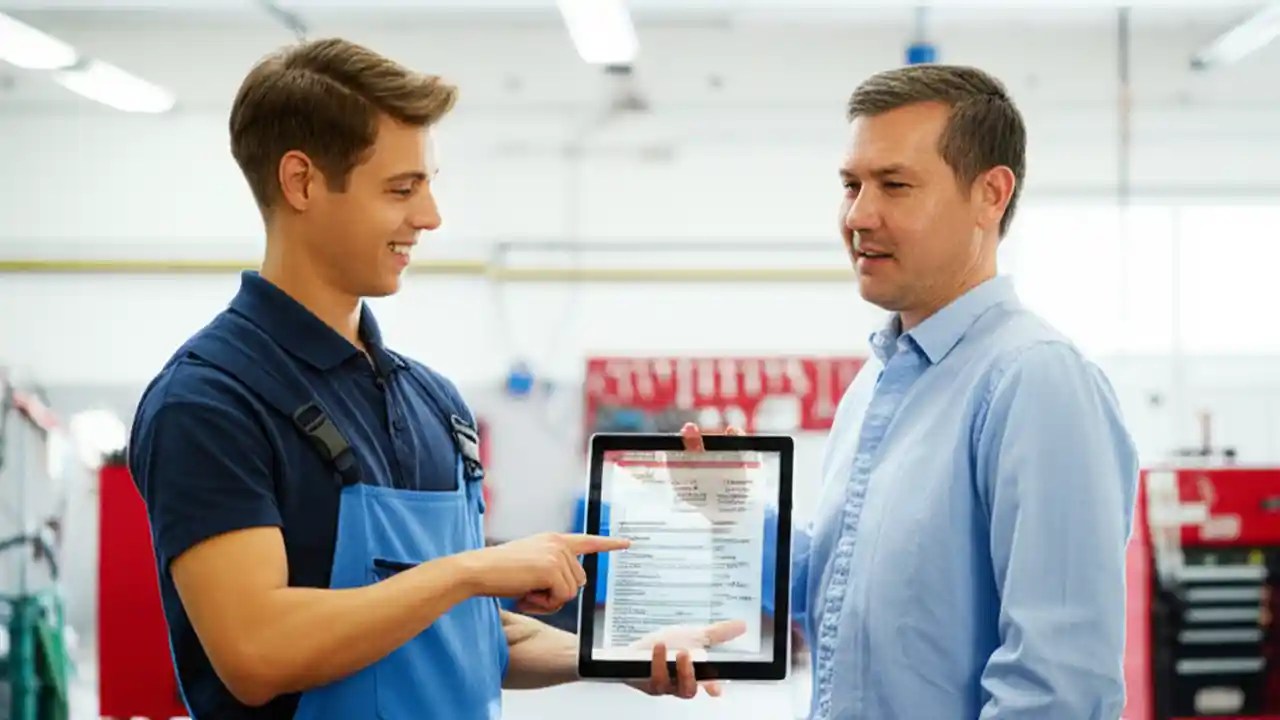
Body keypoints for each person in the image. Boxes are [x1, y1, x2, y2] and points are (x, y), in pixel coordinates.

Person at [127, 37, 739, 720]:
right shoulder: (210, 402)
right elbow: (257, 653)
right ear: (300, 182)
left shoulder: (433, 405)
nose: (430, 216)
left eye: (428, 183)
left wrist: (617, 655)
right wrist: (470, 572)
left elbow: (457, 632)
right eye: (401, 188)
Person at [683, 64, 1139, 719]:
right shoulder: (876, 382)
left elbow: (1057, 689)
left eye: (894, 186)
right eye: (851, 185)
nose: (858, 215)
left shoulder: (1034, 380)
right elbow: (840, 598)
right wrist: (727, 514)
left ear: (991, 194)